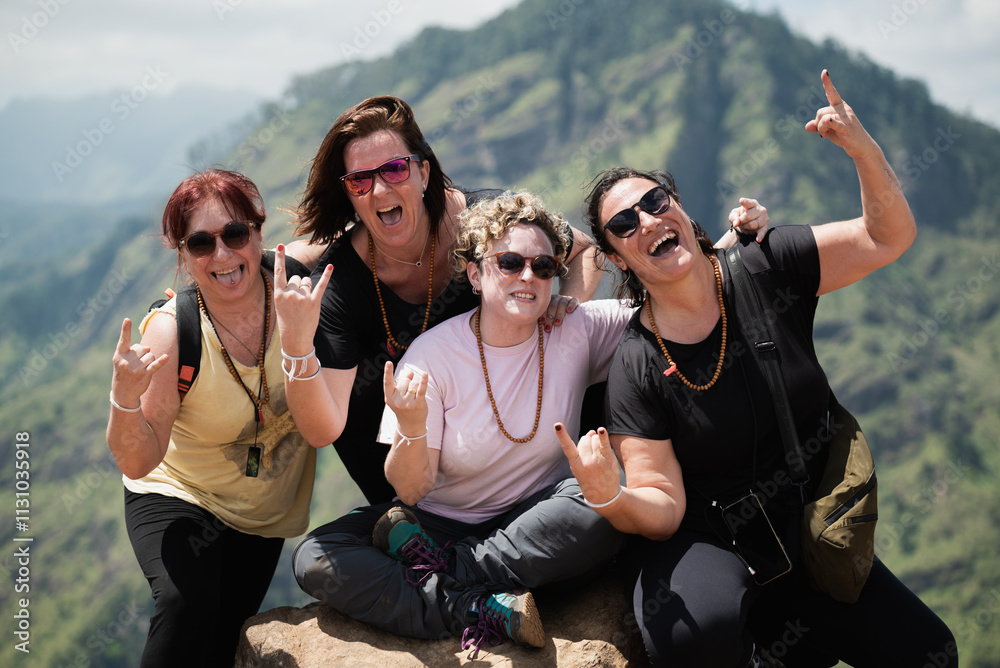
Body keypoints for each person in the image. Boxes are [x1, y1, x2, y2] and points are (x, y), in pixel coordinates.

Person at [557, 70, 957, 667]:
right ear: (618, 258)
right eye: (624, 224)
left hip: (804, 523)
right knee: (697, 635)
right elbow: (662, 506)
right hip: (711, 537)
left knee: (932, 652)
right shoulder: (637, 364)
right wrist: (611, 496)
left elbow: (887, 237)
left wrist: (862, 150)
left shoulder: (767, 266)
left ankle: (787, 637)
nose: (647, 221)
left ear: (679, 207)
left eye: (655, 202)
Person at [289, 191, 771, 657]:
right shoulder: (431, 357)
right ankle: (471, 607)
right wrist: (413, 427)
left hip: (537, 520)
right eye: (509, 263)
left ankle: (445, 578)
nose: (528, 276)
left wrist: (735, 243)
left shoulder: (577, 327)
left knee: (600, 501)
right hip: (437, 522)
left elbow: (676, 298)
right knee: (315, 556)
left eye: (543, 266)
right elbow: (410, 492)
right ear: (475, 274)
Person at [275, 95, 760, 504]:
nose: (380, 188)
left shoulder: (491, 222)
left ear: (423, 174)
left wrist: (559, 306)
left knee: (603, 354)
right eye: (361, 180)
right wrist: (296, 345)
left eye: (395, 169)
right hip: (412, 459)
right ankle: (402, 523)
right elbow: (323, 429)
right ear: (350, 195)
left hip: (517, 413)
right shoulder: (340, 282)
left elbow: (584, 250)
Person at [107, 169, 323, 668]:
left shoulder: (295, 287)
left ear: (259, 233)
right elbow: (137, 460)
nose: (222, 254)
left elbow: (354, 235)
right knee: (186, 607)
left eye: (235, 233)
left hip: (261, 514)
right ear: (183, 256)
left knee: (224, 640)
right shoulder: (171, 332)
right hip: (180, 493)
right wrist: (124, 398)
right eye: (201, 243)